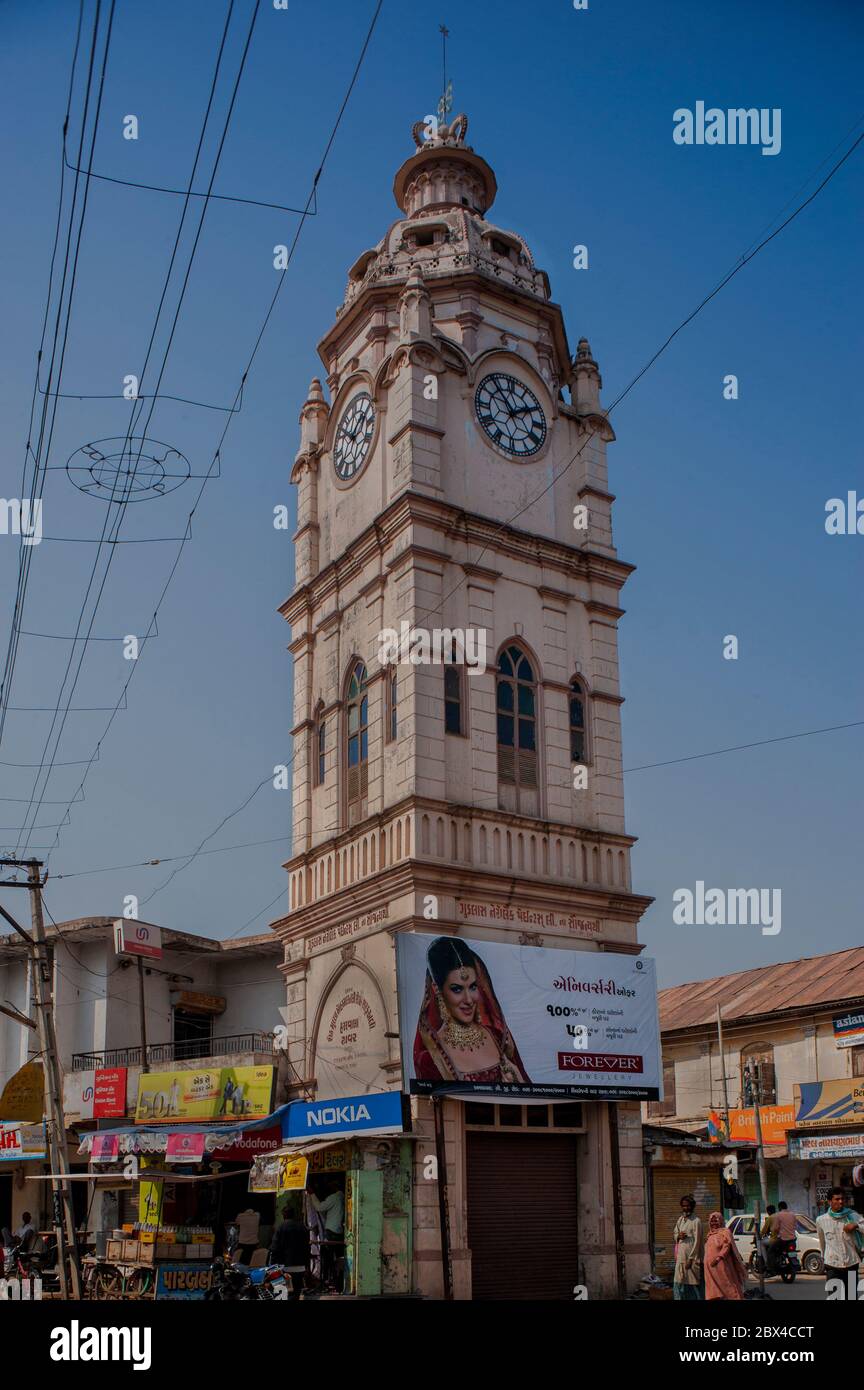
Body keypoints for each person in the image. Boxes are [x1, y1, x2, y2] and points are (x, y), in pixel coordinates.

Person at [413, 936, 530, 1084]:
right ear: (437, 989)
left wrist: (517, 1084)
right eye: (457, 989)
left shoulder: (498, 1037)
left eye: (473, 987)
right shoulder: (431, 1057)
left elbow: (531, 1096)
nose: (469, 1000)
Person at [816, 1187, 864, 1299]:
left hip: (851, 1264)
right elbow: (822, 1242)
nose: (841, 1202)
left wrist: (856, 1225)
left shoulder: (853, 1216)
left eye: (842, 1199)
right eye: (837, 1199)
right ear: (829, 1202)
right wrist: (824, 1259)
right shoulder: (821, 1220)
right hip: (832, 1265)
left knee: (851, 1297)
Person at [309, 1178, 345, 1290]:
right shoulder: (343, 1198)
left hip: (331, 1232)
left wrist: (312, 1194)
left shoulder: (334, 1198)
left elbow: (319, 1207)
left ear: (334, 1187)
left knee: (327, 1258)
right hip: (339, 1232)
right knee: (339, 1258)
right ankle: (339, 1282)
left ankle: (327, 1281)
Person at [704, 1210, 747, 1301]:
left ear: (721, 1221)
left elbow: (727, 1246)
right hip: (710, 1269)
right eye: (712, 1221)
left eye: (716, 1221)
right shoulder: (710, 1235)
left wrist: (718, 1258)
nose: (714, 1223)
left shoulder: (725, 1232)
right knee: (714, 1289)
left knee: (728, 1285)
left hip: (721, 1265)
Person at [269, 1209, 310, 1300]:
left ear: (284, 1216)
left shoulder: (281, 1228)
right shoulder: (302, 1227)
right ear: (294, 1215)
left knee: (285, 1293)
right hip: (300, 1266)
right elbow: (307, 1247)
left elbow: (275, 1248)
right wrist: (307, 1265)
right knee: (296, 1293)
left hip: (285, 1266)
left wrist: (273, 1265)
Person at [672, 1194, 704, 1300]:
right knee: (679, 1283)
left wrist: (691, 1259)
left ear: (692, 1206)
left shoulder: (696, 1221)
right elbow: (675, 1233)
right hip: (680, 1257)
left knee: (693, 1285)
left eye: (688, 1206)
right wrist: (678, 1236)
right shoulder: (680, 1220)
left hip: (692, 1259)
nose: (686, 1208)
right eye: (684, 1206)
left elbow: (698, 1242)